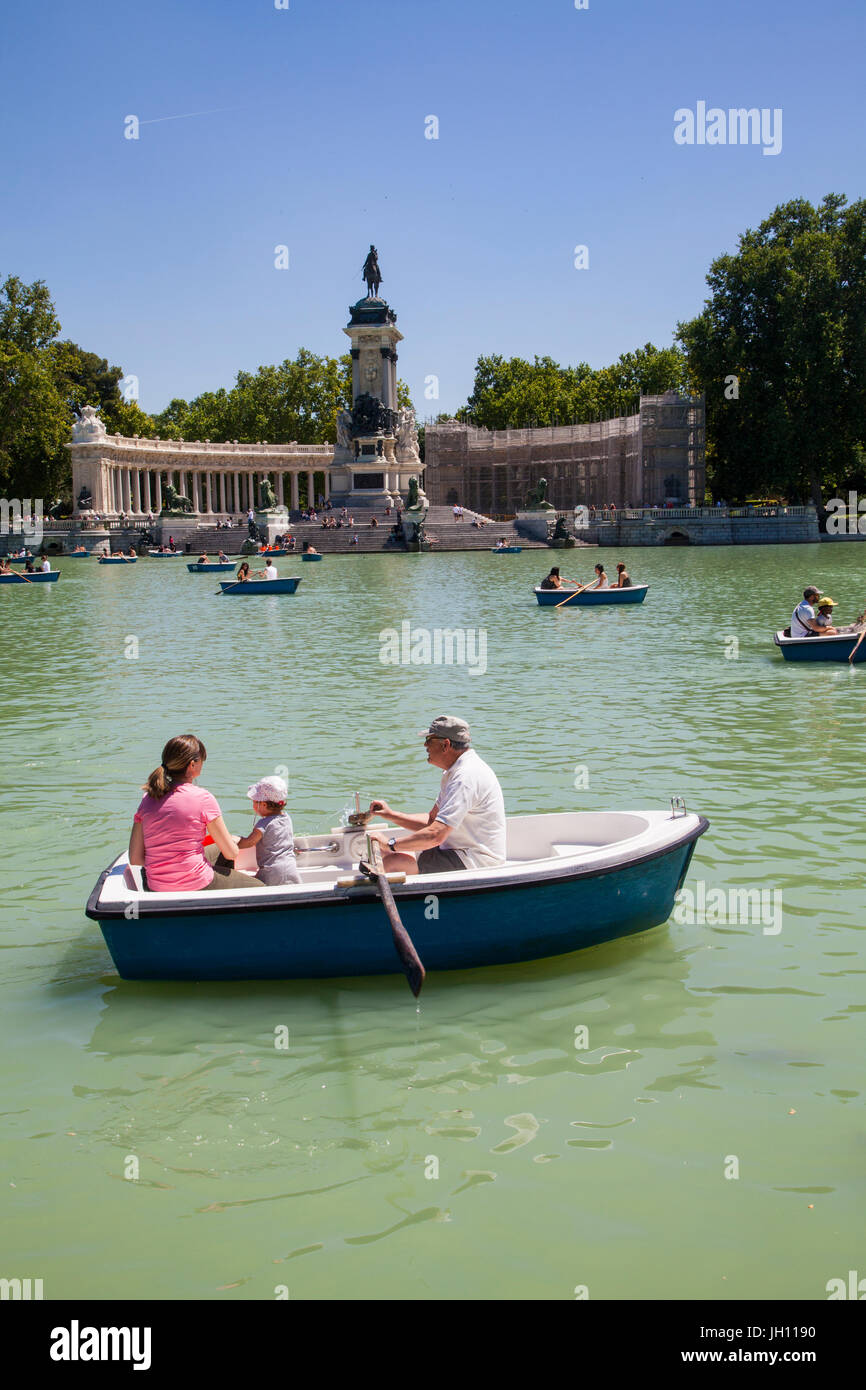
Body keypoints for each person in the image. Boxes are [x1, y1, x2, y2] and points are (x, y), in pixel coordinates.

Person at [366, 716, 506, 876]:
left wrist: (390, 843)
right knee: (389, 854)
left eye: (429, 739)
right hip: (454, 851)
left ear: (445, 744)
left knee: (393, 862)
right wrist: (391, 815)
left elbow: (436, 834)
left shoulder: (465, 777)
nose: (425, 745)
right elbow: (432, 822)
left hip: (475, 861)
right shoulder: (455, 772)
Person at [128, 734, 263, 892]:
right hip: (196, 882)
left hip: (155, 886)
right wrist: (233, 841)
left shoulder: (148, 799)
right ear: (192, 765)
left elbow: (135, 858)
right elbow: (231, 854)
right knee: (262, 889)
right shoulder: (203, 798)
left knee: (217, 850)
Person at [234, 776, 301, 886]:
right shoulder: (287, 818)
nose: (253, 806)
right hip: (291, 867)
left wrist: (231, 841)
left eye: (255, 802)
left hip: (272, 871)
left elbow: (249, 842)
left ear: (263, 804)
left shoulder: (263, 824)